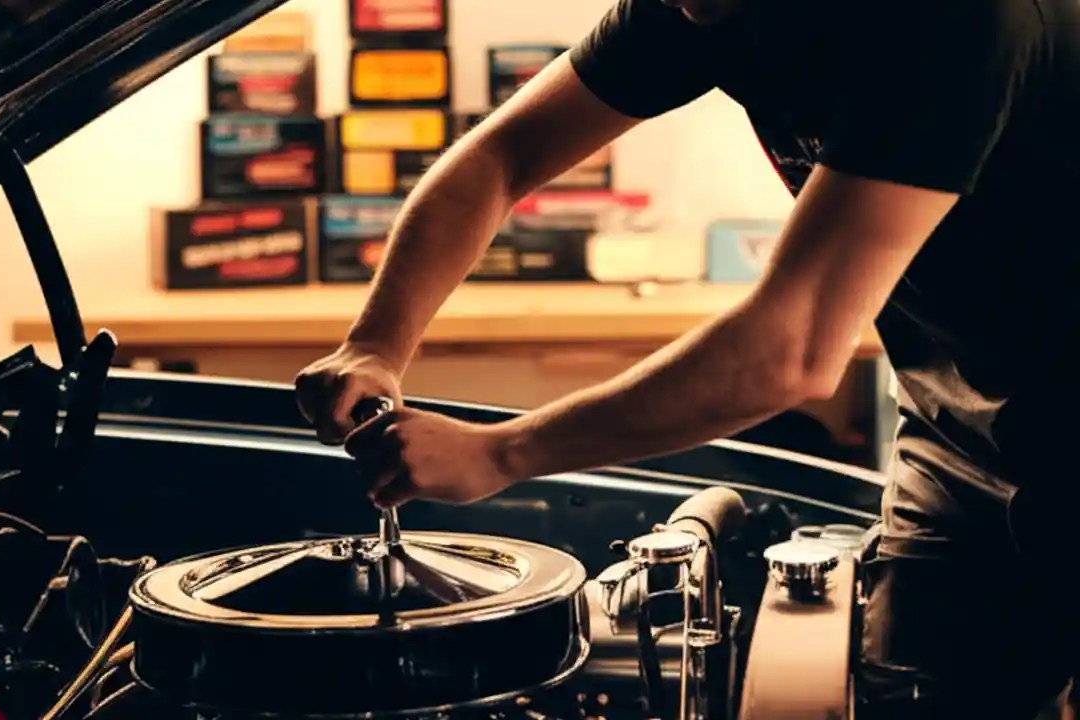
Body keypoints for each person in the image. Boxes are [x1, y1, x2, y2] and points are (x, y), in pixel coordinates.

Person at [294, 0, 1080, 717]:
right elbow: (505, 155)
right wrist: (376, 341)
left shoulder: (955, 22)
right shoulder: (700, 9)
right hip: (958, 439)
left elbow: (792, 350)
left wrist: (503, 451)